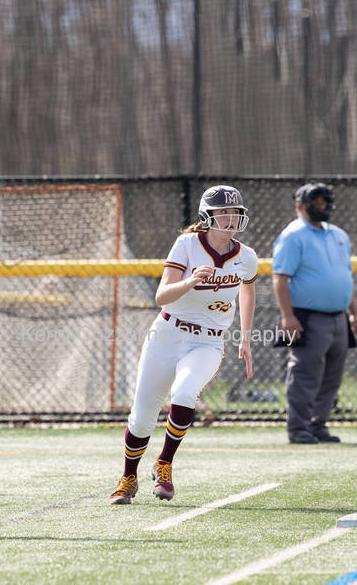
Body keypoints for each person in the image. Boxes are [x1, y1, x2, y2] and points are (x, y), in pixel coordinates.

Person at [109, 185, 258, 504]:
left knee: (186, 393)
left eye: (235, 213)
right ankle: (129, 477)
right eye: (223, 213)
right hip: (168, 333)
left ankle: (164, 464)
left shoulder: (246, 256)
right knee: (142, 417)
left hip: (208, 341)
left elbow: (248, 290)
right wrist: (191, 281)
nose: (230, 219)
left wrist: (246, 336)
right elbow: (161, 296)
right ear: (208, 216)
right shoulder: (188, 244)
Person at [272, 182, 357, 445]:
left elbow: (345, 277)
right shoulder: (293, 235)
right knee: (305, 374)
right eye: (316, 202)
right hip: (308, 317)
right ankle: (298, 428)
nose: (322, 207)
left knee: (331, 377)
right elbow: (280, 278)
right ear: (300, 206)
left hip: (339, 317)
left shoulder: (339, 234)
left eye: (325, 202)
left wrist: (354, 312)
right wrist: (288, 316)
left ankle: (318, 424)